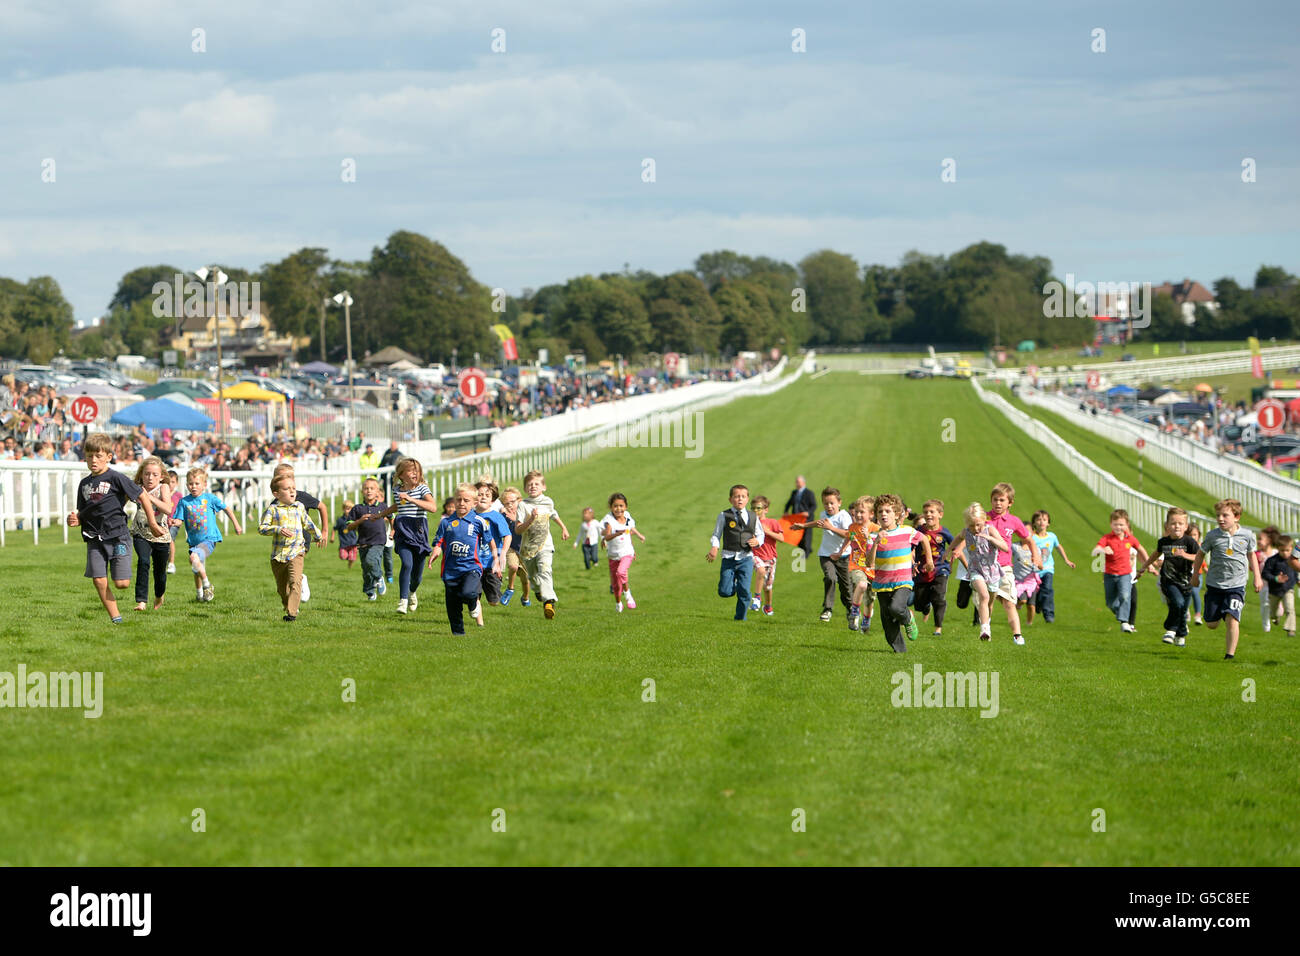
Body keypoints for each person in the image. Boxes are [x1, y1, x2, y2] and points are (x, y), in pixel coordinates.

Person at [66, 433, 165, 624]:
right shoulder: (84, 484)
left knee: (121, 584)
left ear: (109, 457)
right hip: (94, 538)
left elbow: (142, 495)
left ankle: (119, 568)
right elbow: (82, 512)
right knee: (98, 579)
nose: (93, 460)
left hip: (118, 536)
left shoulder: (116, 478)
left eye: (98, 456)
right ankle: (116, 618)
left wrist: (152, 523)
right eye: (89, 456)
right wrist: (75, 519)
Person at [365, 458, 436, 614]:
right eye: (411, 470)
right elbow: (398, 505)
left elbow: (433, 507)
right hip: (403, 530)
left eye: (416, 470)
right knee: (407, 563)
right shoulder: (397, 489)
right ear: (402, 474)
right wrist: (380, 514)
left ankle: (412, 592)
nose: (414, 473)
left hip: (418, 531)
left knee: (417, 576)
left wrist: (412, 499)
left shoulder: (423, 489)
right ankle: (402, 601)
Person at [1193, 498, 1261, 660]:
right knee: (1211, 624)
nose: (1220, 519)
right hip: (1215, 584)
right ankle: (1221, 611)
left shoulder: (1247, 535)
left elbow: (1251, 555)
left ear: (1236, 517)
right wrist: (1195, 574)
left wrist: (1257, 577)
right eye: (1218, 515)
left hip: (1236, 585)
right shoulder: (1212, 536)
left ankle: (1229, 655)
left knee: (1232, 620)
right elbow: (1200, 554)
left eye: (1225, 515)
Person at [867, 493, 932, 652]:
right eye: (880, 511)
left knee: (896, 608)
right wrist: (875, 543)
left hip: (903, 581)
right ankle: (900, 652)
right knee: (888, 622)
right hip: (882, 583)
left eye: (888, 511)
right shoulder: (873, 536)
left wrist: (929, 560)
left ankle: (908, 617)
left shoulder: (906, 531)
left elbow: (923, 538)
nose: (883, 514)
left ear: (896, 515)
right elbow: (869, 563)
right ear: (876, 515)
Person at [429, 483, 494, 636]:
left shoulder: (479, 522)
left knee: (468, 592)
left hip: (471, 567)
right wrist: (435, 553)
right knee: (453, 605)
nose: (462, 503)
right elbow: (438, 542)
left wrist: (496, 559)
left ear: (474, 503)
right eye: (458, 500)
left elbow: (490, 540)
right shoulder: (446, 522)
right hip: (450, 570)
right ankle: (458, 635)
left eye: (466, 500)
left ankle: (473, 603)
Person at [173, 466, 243, 602]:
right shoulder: (184, 502)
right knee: (196, 566)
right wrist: (173, 522)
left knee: (194, 558)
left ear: (204, 485)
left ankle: (207, 585)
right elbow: (179, 520)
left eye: (197, 483)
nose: (193, 486)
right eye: (190, 484)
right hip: (193, 541)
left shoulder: (210, 498)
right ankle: (199, 595)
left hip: (209, 539)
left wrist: (236, 524)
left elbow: (226, 508)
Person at [258, 472, 321, 622]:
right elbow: (262, 528)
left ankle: (292, 614)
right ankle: (288, 605)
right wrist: (277, 529)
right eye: (287, 489)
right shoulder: (273, 510)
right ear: (277, 494)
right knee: (282, 589)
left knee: (295, 581)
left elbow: (308, 523)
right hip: (278, 555)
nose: (292, 491)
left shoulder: (299, 507)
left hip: (297, 551)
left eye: (293, 488)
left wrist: (318, 535)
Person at [1135, 507, 1199, 647]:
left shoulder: (1189, 542)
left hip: (1186, 581)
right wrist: (1144, 567)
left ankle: (1181, 634)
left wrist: (1185, 555)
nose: (1177, 526)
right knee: (1178, 603)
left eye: (1180, 523)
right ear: (1167, 525)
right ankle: (1170, 629)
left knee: (1182, 609)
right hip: (1168, 580)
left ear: (1186, 526)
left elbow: (1198, 557)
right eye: (1173, 523)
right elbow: (1155, 554)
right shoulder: (1164, 542)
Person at [986, 483, 1039, 645]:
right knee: (988, 600)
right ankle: (985, 628)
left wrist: (1036, 557)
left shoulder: (1014, 521)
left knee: (1010, 601)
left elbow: (1028, 539)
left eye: (1002, 500)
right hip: (986, 567)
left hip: (1005, 567)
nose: (998, 503)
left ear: (1010, 503)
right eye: (995, 500)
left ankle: (1017, 635)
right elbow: (967, 532)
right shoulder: (985, 518)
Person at [514, 470, 570, 619]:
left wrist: (563, 528)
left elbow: (554, 514)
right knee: (533, 578)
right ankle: (539, 591)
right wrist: (530, 520)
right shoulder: (522, 505)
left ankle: (549, 602)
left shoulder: (548, 501)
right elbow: (518, 530)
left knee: (545, 570)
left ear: (543, 487)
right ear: (525, 489)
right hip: (527, 550)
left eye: (536, 484)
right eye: (529, 485)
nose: (533, 486)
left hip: (545, 546)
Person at [791, 486, 852, 624]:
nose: (829, 506)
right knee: (830, 577)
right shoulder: (823, 514)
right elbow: (819, 524)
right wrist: (803, 526)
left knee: (846, 587)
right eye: (826, 503)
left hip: (843, 556)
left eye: (832, 503)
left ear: (839, 503)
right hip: (826, 554)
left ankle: (851, 609)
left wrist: (831, 528)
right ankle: (827, 609)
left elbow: (849, 534)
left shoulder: (844, 516)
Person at [272, 463, 329, 604]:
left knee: (294, 567)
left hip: (302, 541)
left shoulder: (302, 497)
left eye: (290, 477)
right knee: (285, 576)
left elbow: (322, 506)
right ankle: (297, 586)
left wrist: (324, 530)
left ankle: (300, 581)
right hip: (283, 545)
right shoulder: (275, 503)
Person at [706, 483, 762, 621]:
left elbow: (760, 534)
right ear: (730, 499)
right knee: (724, 592)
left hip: (746, 558)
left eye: (743, 496)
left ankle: (740, 618)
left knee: (744, 592)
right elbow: (716, 534)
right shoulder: (724, 515)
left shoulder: (753, 516)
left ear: (747, 499)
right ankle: (735, 585)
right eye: (736, 496)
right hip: (729, 558)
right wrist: (714, 547)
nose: (740, 499)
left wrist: (758, 541)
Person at [130, 456, 175, 612]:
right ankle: (141, 601)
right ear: (141, 474)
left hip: (161, 535)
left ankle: (159, 595)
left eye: (155, 475)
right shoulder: (137, 487)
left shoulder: (163, 488)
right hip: (140, 532)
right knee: (143, 561)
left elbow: (168, 509)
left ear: (161, 476)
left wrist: (148, 497)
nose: (150, 478)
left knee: (160, 572)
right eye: (147, 474)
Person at [1091, 509, 1146, 633]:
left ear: (1126, 525)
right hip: (1109, 575)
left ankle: (1124, 622)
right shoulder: (1107, 538)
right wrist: (1103, 550)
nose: (1118, 527)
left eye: (1121, 524)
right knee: (1110, 603)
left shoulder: (1130, 539)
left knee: (1125, 596)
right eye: (1116, 524)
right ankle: (1121, 614)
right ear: (1111, 524)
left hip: (1125, 574)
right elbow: (1094, 551)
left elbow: (1140, 549)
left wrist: (1149, 564)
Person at [831, 495, 878, 632]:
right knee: (861, 584)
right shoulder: (852, 527)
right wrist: (840, 552)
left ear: (871, 514)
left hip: (872, 568)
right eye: (856, 511)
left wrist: (868, 537)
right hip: (856, 565)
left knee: (870, 600)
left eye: (861, 512)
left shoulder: (876, 529)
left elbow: (880, 546)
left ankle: (866, 620)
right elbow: (849, 539)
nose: (857, 514)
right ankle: (854, 612)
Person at [470, 480, 512, 624]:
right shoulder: (470, 516)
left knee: (493, 601)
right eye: (479, 494)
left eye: (486, 495)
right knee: (474, 594)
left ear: (492, 500)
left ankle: (497, 592)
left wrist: (503, 554)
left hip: (491, 562)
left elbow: (507, 535)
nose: (482, 497)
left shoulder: (496, 516)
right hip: (473, 563)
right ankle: (480, 623)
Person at [344, 478, 390, 601]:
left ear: (377, 492)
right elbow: (349, 526)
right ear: (362, 491)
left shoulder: (383, 506)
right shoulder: (357, 509)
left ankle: (379, 577)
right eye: (366, 488)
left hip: (378, 541)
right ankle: (370, 592)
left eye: (372, 488)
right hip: (363, 543)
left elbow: (392, 517)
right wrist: (360, 520)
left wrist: (394, 531)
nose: (368, 491)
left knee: (371, 561)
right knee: (366, 569)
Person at [913, 499, 953, 636]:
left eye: (932, 512)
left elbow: (956, 542)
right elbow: (909, 547)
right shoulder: (918, 532)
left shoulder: (944, 533)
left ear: (940, 514)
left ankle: (938, 628)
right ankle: (925, 607)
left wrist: (954, 553)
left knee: (939, 597)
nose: (928, 515)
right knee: (918, 604)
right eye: (926, 512)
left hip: (940, 568)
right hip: (921, 571)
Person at [1028, 510, 1074, 625]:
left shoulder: (1052, 536)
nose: (1041, 522)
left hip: (1048, 569)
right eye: (1038, 519)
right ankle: (1038, 605)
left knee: (1048, 590)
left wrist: (1066, 560)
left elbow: (1058, 547)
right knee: (1036, 592)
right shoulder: (1032, 537)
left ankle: (1049, 615)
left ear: (1048, 523)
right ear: (1034, 523)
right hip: (1035, 570)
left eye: (1044, 520)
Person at [602, 492, 645, 612]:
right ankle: (618, 603)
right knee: (615, 586)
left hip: (627, 553)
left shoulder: (628, 517)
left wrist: (638, 538)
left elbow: (630, 530)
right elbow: (607, 536)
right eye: (615, 506)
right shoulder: (609, 520)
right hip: (613, 555)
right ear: (611, 507)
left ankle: (628, 594)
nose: (618, 509)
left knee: (621, 572)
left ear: (625, 507)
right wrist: (617, 533)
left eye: (621, 506)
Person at [748, 496, 785, 617]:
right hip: (755, 555)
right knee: (761, 570)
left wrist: (767, 531)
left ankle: (768, 606)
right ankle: (757, 598)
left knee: (768, 586)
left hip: (770, 558)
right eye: (753, 508)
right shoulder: (750, 523)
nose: (755, 511)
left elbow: (781, 539)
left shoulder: (772, 523)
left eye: (758, 508)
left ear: (766, 509)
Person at [1261, 535, 1298, 637]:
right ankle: (1275, 618)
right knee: (1273, 612)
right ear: (1278, 549)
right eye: (1282, 550)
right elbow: (1264, 574)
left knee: (1290, 608)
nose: (1285, 553)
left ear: (1291, 548)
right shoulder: (1272, 560)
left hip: (1288, 589)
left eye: (1287, 550)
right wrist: (1276, 579)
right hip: (1274, 590)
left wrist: (1298, 581)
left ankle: (1291, 630)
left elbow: (1295, 572)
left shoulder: (1293, 561)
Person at [500, 487, 530, 607]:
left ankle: (525, 597)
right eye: (507, 503)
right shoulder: (504, 515)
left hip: (525, 550)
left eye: (512, 502)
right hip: (511, 547)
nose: (510, 505)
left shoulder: (526, 513)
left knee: (525, 579)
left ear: (520, 500)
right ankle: (510, 588)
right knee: (512, 566)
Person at [783, 475, 817, 556]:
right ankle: (805, 550)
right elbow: (789, 503)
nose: (797, 483)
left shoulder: (809, 493)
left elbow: (814, 505)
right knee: (798, 536)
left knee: (806, 536)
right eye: (796, 482)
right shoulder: (794, 492)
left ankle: (806, 553)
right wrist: (786, 511)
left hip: (806, 519)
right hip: (796, 518)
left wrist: (808, 512)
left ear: (803, 482)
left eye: (798, 482)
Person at [1254, 527, 1279, 632]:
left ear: (1269, 540)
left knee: (1278, 609)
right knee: (1265, 605)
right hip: (1263, 585)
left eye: (1260, 539)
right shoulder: (1258, 554)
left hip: (1277, 585)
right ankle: (1266, 627)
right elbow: (1252, 567)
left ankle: (1275, 616)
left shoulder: (1276, 553)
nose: (1258, 541)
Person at [335, 499, 360, 568]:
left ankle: (350, 563)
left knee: (352, 557)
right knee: (343, 556)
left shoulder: (354, 519)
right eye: (347, 509)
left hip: (353, 542)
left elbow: (359, 529)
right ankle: (349, 558)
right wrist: (332, 537)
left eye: (350, 509)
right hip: (344, 543)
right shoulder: (340, 520)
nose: (348, 511)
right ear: (343, 509)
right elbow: (335, 528)